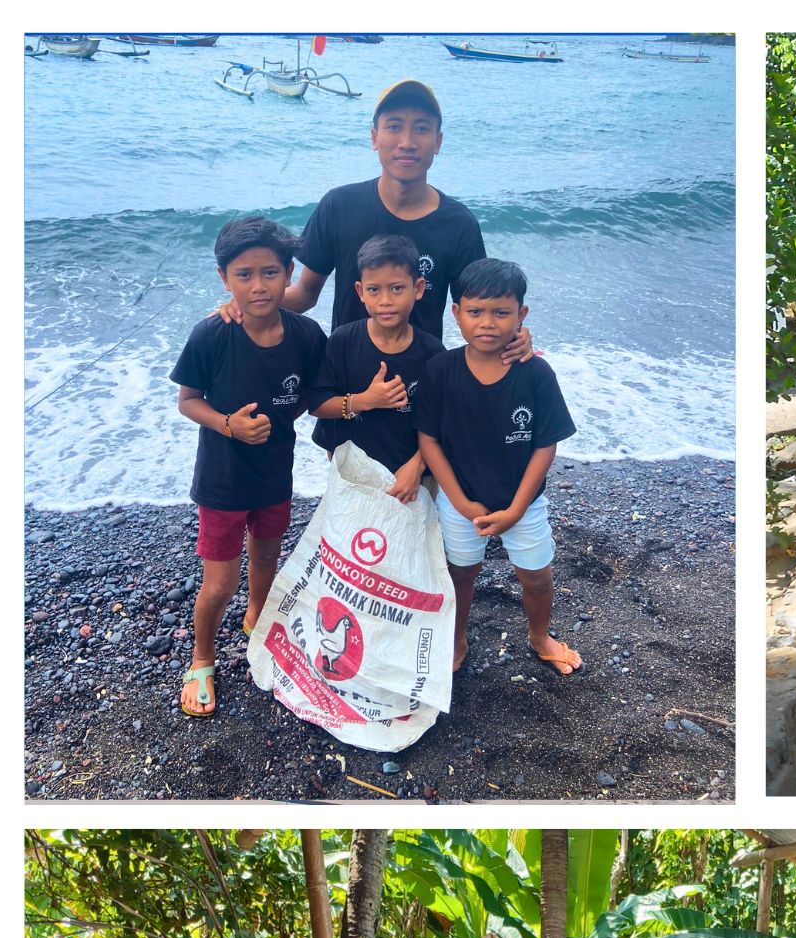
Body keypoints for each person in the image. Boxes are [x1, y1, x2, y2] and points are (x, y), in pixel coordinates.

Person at [214, 80, 531, 363]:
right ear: (374, 137)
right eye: (394, 127)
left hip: (424, 383)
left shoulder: (459, 223)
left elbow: (479, 310)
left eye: (421, 128)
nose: (406, 141)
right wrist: (243, 310)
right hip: (346, 377)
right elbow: (306, 294)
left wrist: (514, 335)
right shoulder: (339, 206)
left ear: (438, 141)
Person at [169, 216, 327, 718]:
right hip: (222, 480)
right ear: (224, 279)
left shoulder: (306, 334)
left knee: (265, 556)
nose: (258, 286)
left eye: (269, 273)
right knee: (218, 583)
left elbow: (309, 394)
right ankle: (201, 659)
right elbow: (187, 401)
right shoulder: (213, 333)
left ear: (289, 273)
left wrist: (284, 417)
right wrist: (227, 425)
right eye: (243, 275)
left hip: (275, 474)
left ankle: (258, 614)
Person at [414, 258, 581, 677]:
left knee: (537, 578)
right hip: (460, 504)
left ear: (521, 316)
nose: (486, 323)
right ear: (456, 314)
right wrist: (461, 502)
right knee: (461, 574)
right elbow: (428, 441)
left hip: (521, 504)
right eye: (475, 312)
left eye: (501, 312)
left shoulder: (536, 372)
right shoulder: (440, 371)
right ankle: (455, 638)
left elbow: (546, 445)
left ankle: (539, 636)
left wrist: (517, 509)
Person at [307, 234, 447, 504]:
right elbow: (317, 404)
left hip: (413, 475)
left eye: (396, 288)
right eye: (374, 290)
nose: (385, 300)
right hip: (355, 474)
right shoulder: (343, 341)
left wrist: (416, 468)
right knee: (351, 543)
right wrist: (365, 401)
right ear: (360, 292)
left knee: (414, 542)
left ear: (418, 288)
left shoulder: (433, 354)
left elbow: (441, 424)